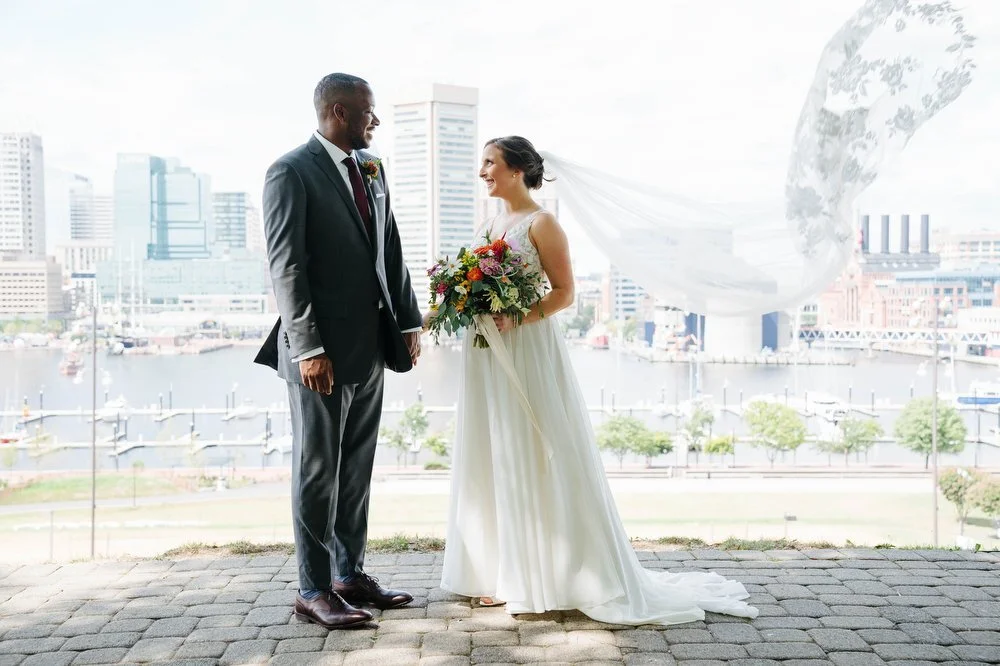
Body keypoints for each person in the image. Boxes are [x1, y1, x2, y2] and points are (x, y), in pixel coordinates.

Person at [434, 136, 758, 625]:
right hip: (488, 353)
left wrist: (516, 317)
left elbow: (565, 294)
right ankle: (499, 570)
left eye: (490, 163)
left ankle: (550, 572)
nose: (482, 171)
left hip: (525, 348)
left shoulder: (542, 224)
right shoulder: (489, 223)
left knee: (534, 442)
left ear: (518, 170)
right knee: (493, 445)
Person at [255, 72, 423, 629]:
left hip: (370, 347)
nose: (376, 122)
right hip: (318, 355)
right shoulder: (290, 171)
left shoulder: (373, 170)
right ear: (338, 112)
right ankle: (313, 589)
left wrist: (406, 322)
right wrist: (309, 348)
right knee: (317, 470)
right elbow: (287, 266)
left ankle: (350, 574)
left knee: (356, 469)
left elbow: (389, 250)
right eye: (368, 113)